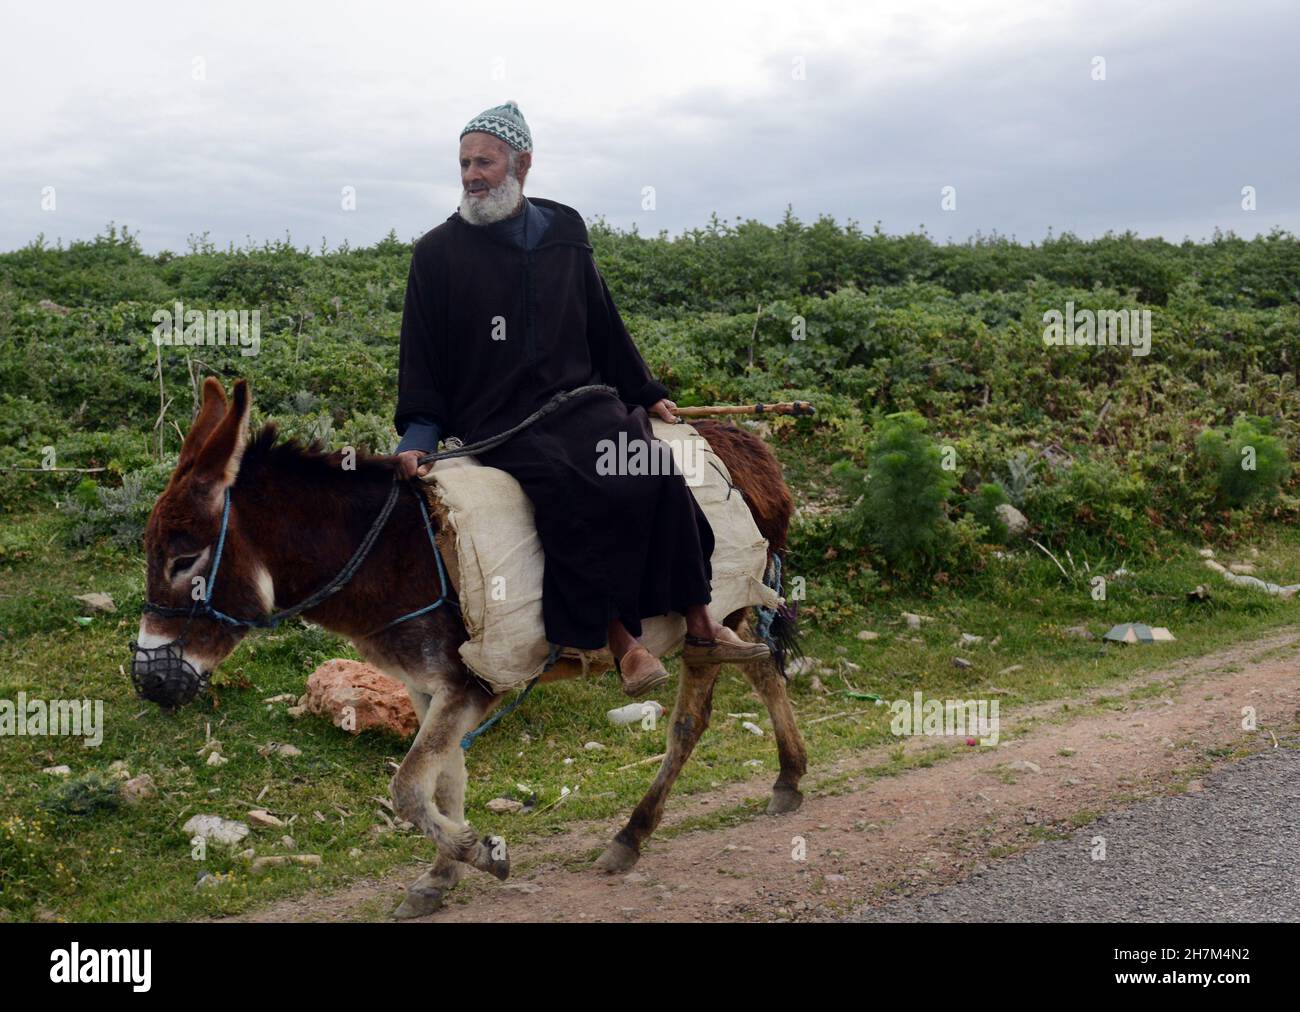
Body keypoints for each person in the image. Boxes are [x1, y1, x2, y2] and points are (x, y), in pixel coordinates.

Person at [394, 100, 770, 697]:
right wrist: (418, 433)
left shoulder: (564, 230)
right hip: (501, 418)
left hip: (581, 398)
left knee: (650, 469)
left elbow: (602, 321)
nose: (471, 175)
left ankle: (701, 621)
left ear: (523, 163)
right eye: (464, 162)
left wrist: (645, 393)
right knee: (568, 486)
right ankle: (622, 641)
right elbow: (421, 353)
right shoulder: (438, 253)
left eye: (484, 162)